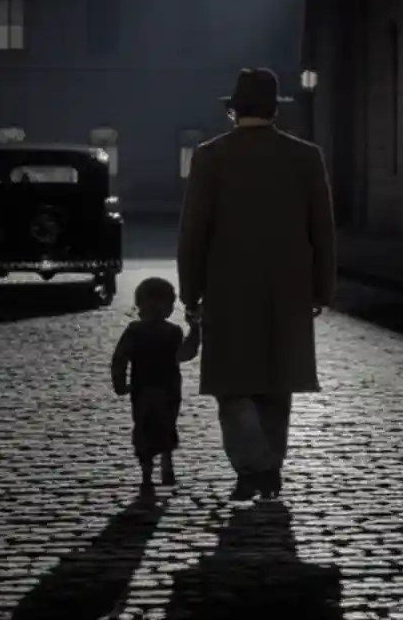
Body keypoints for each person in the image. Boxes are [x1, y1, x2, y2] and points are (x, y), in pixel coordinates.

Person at [178, 67, 337, 502]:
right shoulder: (306, 156)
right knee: (276, 383)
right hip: (288, 288)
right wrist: (322, 288)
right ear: (273, 109)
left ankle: (254, 467)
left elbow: (195, 232)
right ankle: (271, 466)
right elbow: (322, 230)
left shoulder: (210, 156)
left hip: (227, 286)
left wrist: (190, 292)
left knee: (232, 384)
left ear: (233, 110)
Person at [110, 277, 202, 493]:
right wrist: (195, 332)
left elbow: (120, 358)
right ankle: (166, 466)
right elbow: (185, 354)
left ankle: (147, 473)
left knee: (144, 427)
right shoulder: (172, 332)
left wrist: (120, 383)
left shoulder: (134, 331)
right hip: (168, 388)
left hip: (143, 389)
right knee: (166, 426)